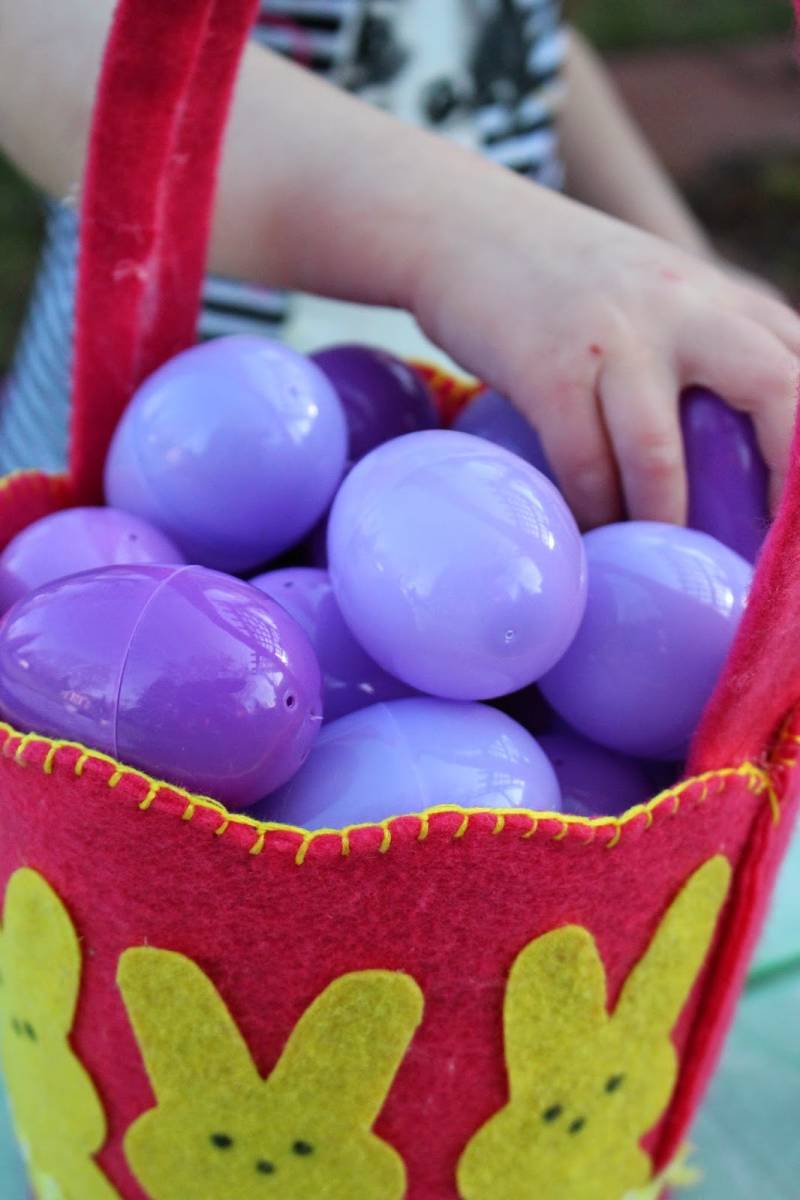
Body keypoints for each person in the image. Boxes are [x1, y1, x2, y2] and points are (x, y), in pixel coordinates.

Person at [0, 0, 797, 530]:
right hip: (174, 437)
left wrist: (676, 254)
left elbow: (536, 43)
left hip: (514, 387)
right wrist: (490, 238)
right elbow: (44, 31)